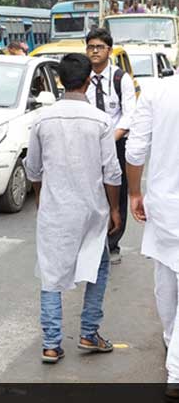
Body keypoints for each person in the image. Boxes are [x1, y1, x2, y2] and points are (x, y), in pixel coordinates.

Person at [25, 53, 122, 364]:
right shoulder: (101, 120)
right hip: (92, 210)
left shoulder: (42, 119)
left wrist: (40, 197)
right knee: (98, 268)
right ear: (87, 81)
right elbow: (112, 173)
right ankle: (89, 332)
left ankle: (51, 344)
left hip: (55, 210)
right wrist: (115, 209)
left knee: (51, 275)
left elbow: (33, 169)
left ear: (59, 82)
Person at [126, 73, 179, 394]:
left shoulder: (156, 91)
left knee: (165, 276)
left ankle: (172, 341)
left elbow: (135, 151)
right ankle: (176, 368)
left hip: (163, 203)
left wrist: (135, 192)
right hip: (164, 204)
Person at [84, 29, 136, 264]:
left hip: (115, 144)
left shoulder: (120, 78)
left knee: (117, 192)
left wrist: (109, 139)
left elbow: (129, 115)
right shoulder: (82, 78)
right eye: (91, 47)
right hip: (87, 145)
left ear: (109, 51)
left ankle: (112, 244)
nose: (94, 51)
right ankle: (91, 241)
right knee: (90, 192)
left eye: (99, 47)